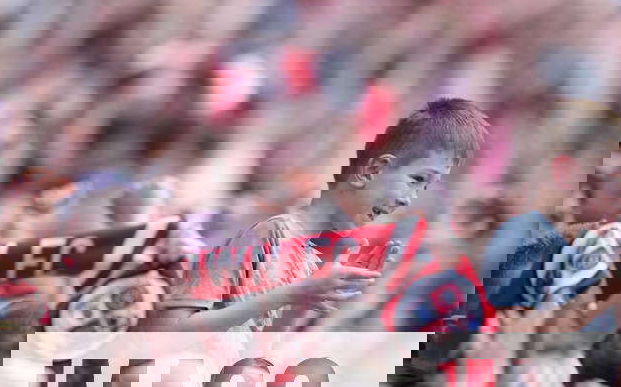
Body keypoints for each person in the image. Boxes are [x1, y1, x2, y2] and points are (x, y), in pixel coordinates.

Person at [146, 97, 488, 332]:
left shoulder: (318, 265)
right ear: (374, 168)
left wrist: (358, 300)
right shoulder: (272, 231)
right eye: (416, 181)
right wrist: (291, 297)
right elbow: (163, 331)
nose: (407, 201)